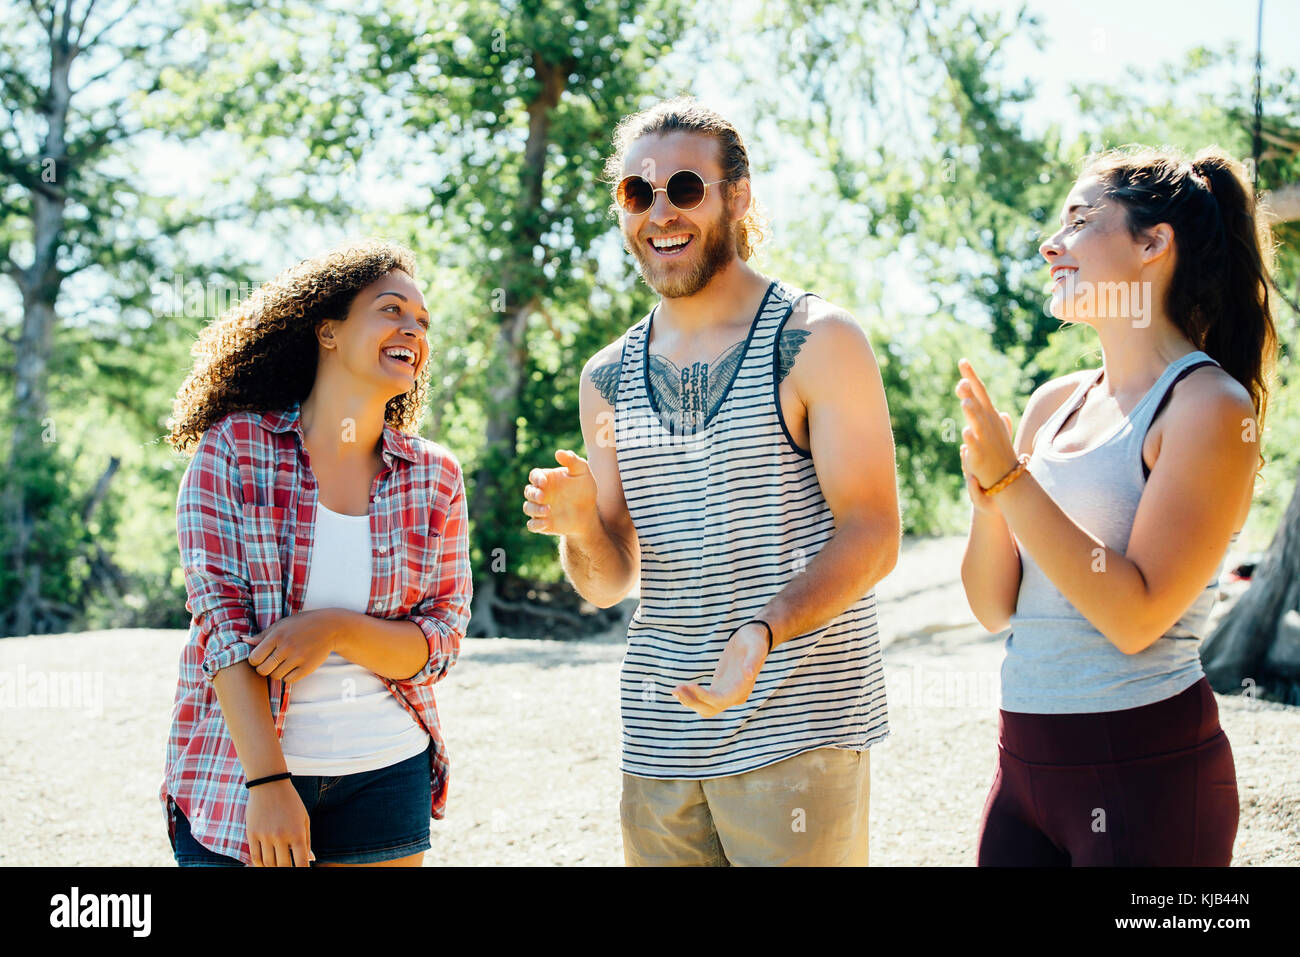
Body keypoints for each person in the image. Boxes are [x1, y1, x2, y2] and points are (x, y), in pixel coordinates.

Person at [522, 97, 900, 866]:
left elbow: (874, 532)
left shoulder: (816, 339)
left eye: (685, 188)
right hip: (658, 743)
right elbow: (610, 579)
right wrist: (581, 530)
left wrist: (762, 630)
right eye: (638, 192)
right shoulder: (606, 378)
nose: (660, 212)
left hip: (798, 733)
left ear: (738, 195)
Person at [958, 146, 1277, 866]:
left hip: (1145, 771)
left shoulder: (1208, 407)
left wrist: (1013, 483)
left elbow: (1135, 616)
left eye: (1078, 220)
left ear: (1153, 243)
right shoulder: (1052, 404)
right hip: (1022, 763)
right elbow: (992, 607)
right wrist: (988, 500)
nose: (1051, 242)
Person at [160, 240, 472, 867]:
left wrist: (332, 629)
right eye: (391, 310)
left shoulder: (434, 474)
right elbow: (221, 626)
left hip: (386, 772)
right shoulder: (236, 448)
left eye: (422, 322)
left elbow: (439, 640)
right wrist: (269, 784)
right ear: (328, 331)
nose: (412, 328)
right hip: (244, 775)